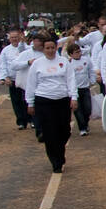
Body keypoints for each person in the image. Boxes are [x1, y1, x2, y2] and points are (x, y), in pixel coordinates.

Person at [25, 36, 79, 173]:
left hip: (62, 100)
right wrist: (30, 102)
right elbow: (31, 84)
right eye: (47, 48)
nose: (50, 50)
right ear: (43, 49)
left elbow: (71, 80)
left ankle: (60, 152)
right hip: (44, 100)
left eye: (52, 48)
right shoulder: (37, 64)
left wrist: (74, 97)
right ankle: (56, 161)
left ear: (56, 48)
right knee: (50, 132)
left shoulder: (64, 62)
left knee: (64, 131)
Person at [0, 28, 30, 130]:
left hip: (25, 79)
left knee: (26, 100)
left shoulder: (27, 48)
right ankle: (21, 121)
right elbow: (2, 65)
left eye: (16, 37)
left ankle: (30, 119)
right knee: (16, 102)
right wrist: (4, 77)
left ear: (19, 37)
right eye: (12, 37)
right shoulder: (5, 51)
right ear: (9, 39)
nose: (14, 39)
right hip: (13, 80)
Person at [67, 40, 96, 135]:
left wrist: (92, 80)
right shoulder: (69, 64)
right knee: (78, 109)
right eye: (76, 52)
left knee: (87, 108)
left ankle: (85, 123)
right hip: (75, 90)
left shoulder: (86, 60)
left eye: (79, 51)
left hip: (85, 88)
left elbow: (91, 70)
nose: (79, 53)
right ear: (71, 54)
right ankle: (82, 128)